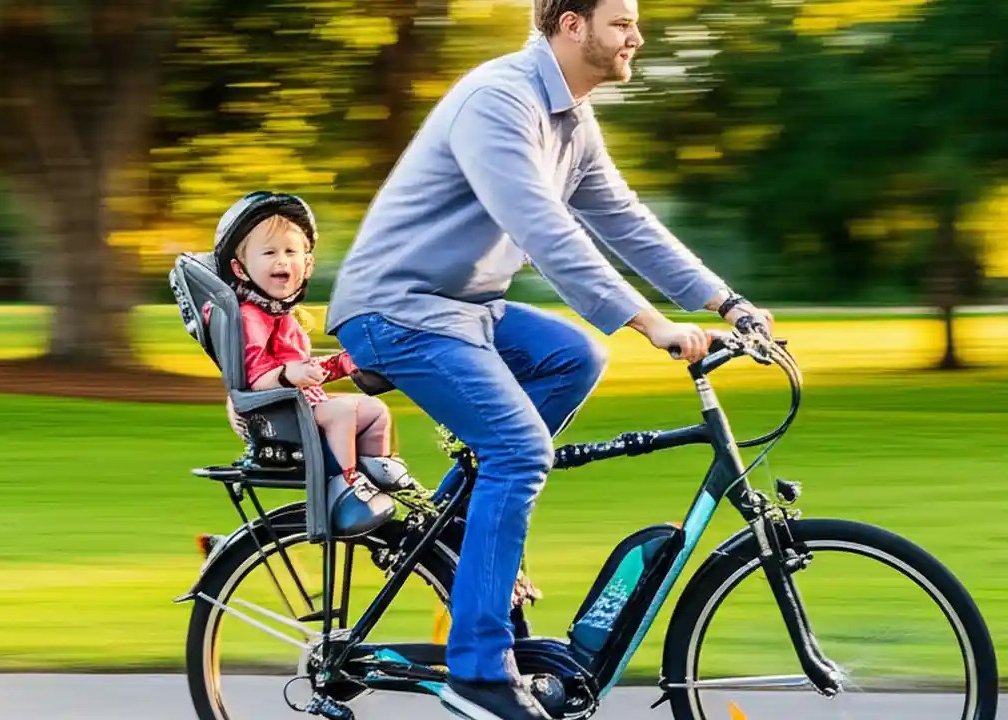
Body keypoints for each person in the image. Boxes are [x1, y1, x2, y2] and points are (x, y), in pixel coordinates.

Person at [326, 1, 774, 717]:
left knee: (572, 355)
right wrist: (651, 322)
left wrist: (725, 302)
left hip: (463, 309)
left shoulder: (572, 121)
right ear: (571, 24)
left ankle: (464, 523)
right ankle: (477, 671)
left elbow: (626, 221)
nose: (638, 35)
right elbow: (543, 228)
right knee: (520, 451)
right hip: (395, 310)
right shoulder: (497, 102)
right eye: (622, 22)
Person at [215, 193, 400, 538]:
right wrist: (289, 375)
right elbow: (255, 377)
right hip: (283, 413)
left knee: (375, 410)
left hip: (305, 404)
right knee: (343, 413)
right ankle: (346, 487)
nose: (281, 260)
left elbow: (307, 372)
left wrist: (341, 364)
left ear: (308, 264)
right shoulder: (251, 317)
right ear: (240, 268)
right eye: (269, 253)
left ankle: (375, 479)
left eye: (290, 252)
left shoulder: (282, 316)